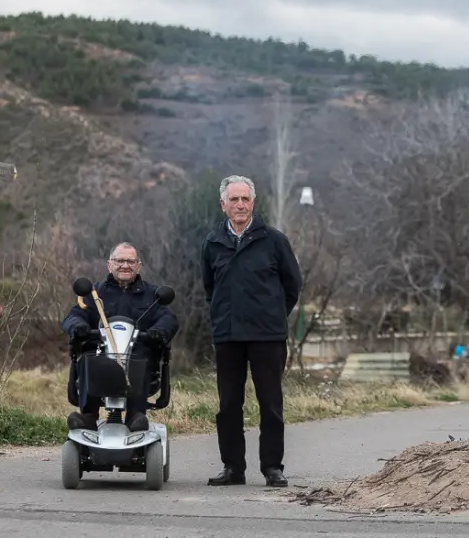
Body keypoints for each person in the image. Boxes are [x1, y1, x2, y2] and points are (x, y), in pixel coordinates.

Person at [201, 175, 302, 488]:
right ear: (223, 205)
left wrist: (272, 316)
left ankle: (272, 467)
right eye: (234, 200)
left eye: (245, 199)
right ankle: (233, 468)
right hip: (228, 336)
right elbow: (210, 288)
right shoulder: (212, 243)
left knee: (270, 403)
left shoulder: (274, 240)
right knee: (228, 404)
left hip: (267, 337)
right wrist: (223, 317)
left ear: (253, 203)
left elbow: (292, 286)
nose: (240, 205)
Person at [61, 241, 180, 433]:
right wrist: (79, 326)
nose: (125, 265)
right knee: (89, 357)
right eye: (120, 261)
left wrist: (159, 331)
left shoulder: (152, 295)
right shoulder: (95, 292)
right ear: (110, 264)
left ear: (138, 266)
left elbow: (168, 318)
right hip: (101, 352)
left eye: (131, 261)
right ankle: (88, 417)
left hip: (137, 353)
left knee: (140, 357)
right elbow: (73, 316)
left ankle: (135, 416)